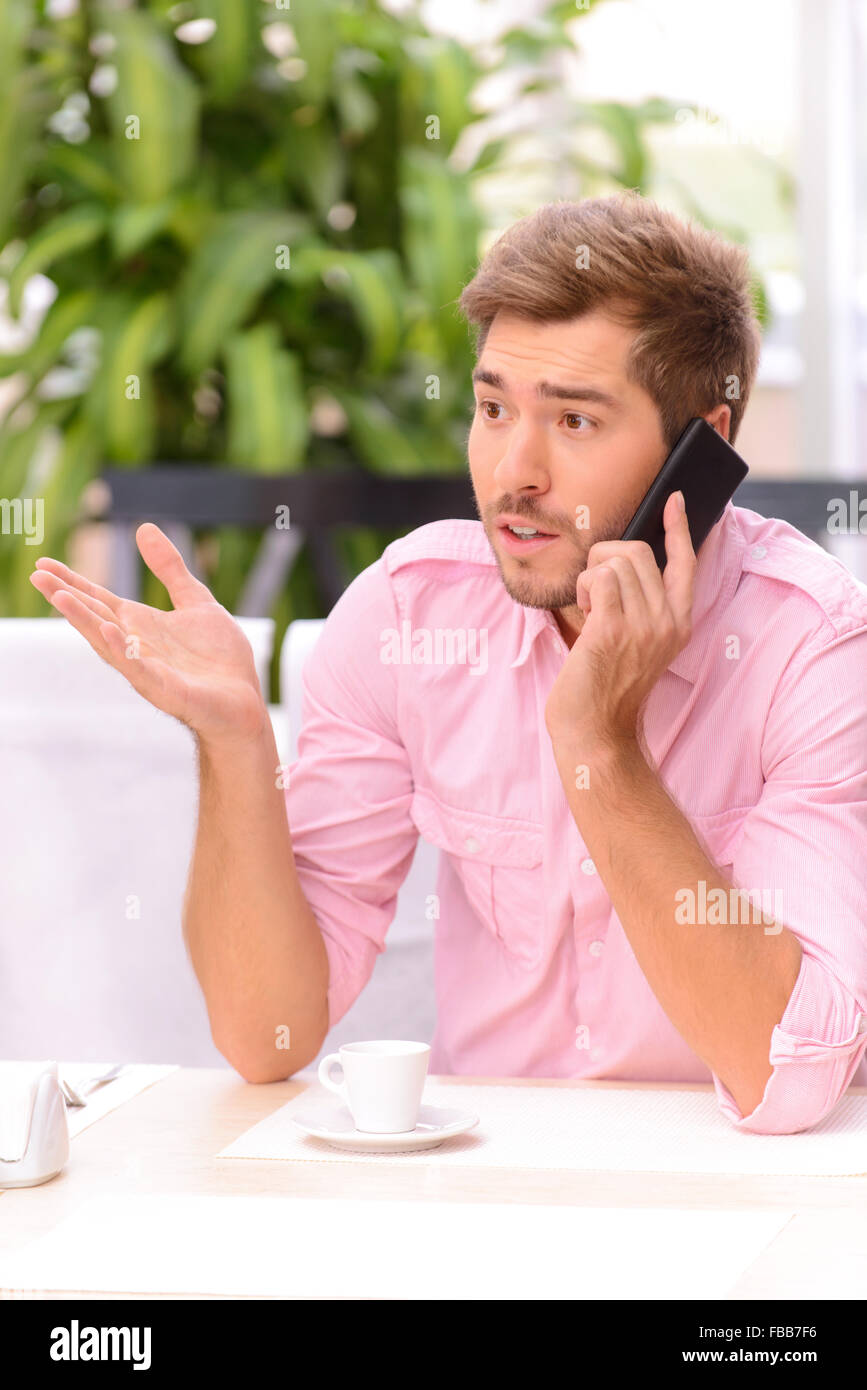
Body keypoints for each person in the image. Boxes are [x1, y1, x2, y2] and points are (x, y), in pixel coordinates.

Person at [31, 192, 867, 1134]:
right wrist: (231, 741)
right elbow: (266, 1033)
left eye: (575, 422)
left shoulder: (812, 646)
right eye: (492, 406)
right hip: (485, 1191)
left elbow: (786, 1078)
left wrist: (601, 741)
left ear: (700, 451)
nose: (515, 471)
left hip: (741, 1193)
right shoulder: (407, 614)